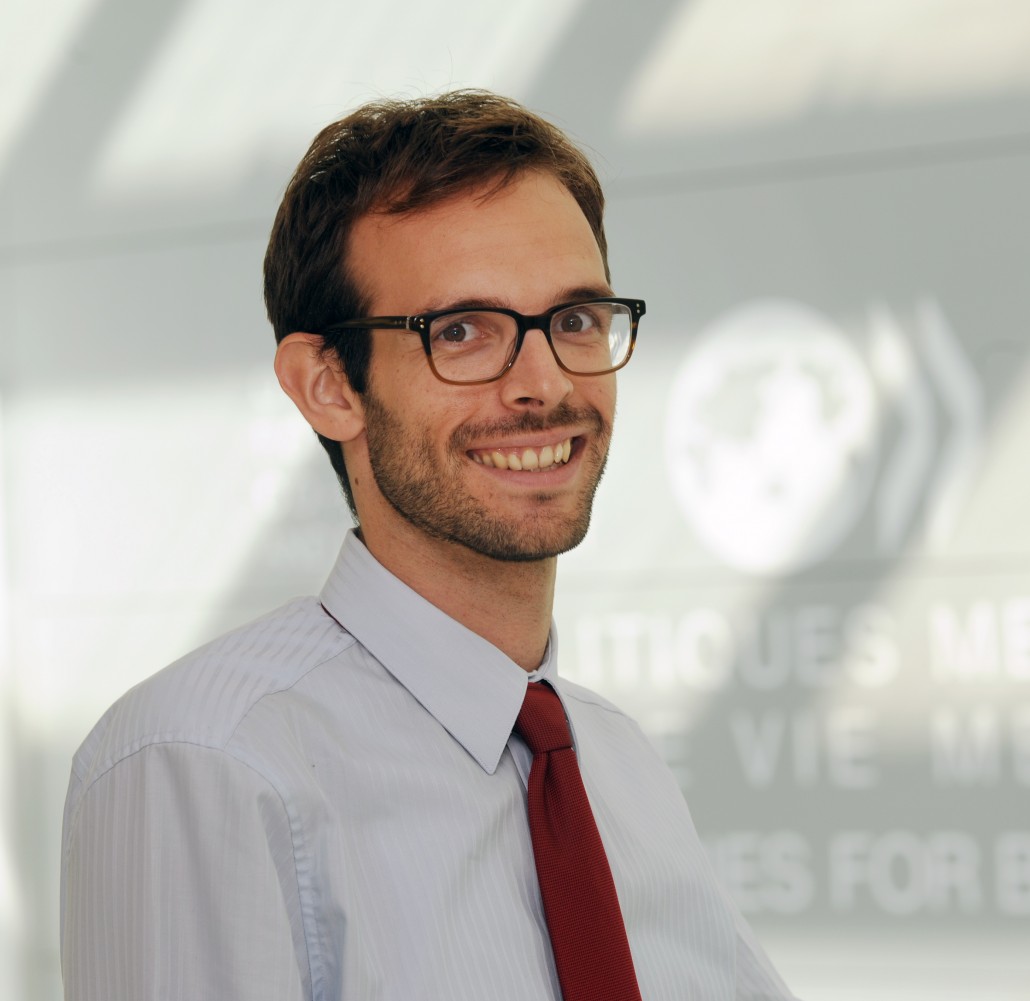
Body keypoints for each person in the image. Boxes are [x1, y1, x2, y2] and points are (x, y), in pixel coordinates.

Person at [60, 91, 797, 1001]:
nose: (544, 382)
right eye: (461, 332)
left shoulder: (617, 765)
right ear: (328, 386)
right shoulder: (204, 761)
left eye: (573, 319)